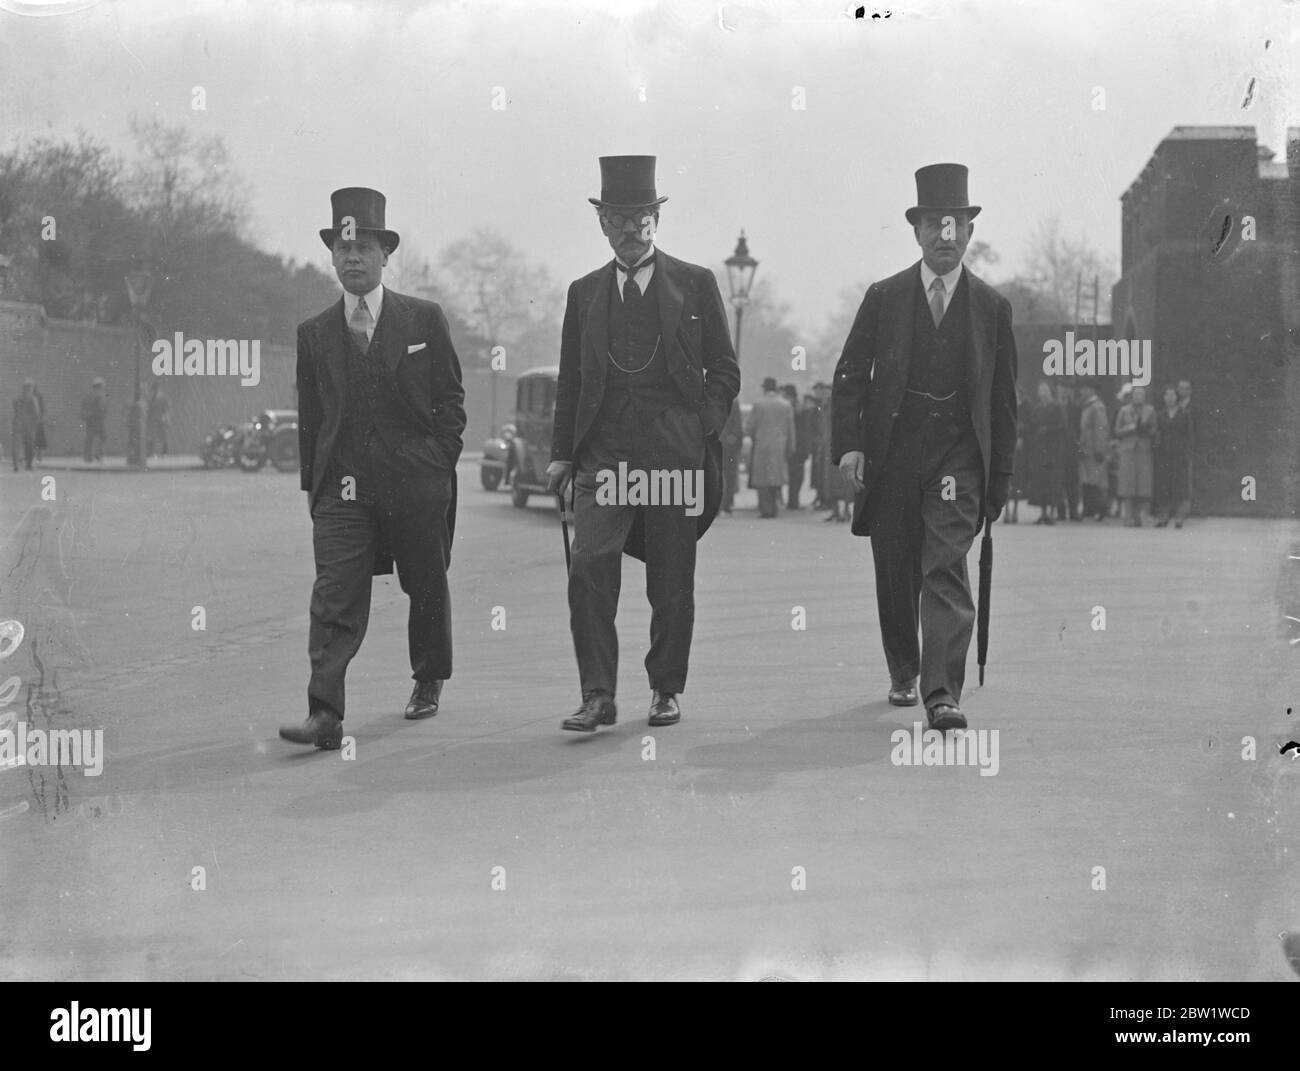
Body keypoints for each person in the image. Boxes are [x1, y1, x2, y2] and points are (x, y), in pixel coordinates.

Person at [544, 156, 739, 733]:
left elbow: (724, 371)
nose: (628, 229)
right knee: (589, 565)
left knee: (672, 577)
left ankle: (665, 689)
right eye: (616, 218)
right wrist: (561, 453)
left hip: (672, 456)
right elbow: (570, 380)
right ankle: (597, 694)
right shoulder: (584, 294)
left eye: (639, 218)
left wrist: (699, 427)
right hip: (603, 457)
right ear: (602, 223)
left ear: (656, 219)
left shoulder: (696, 284)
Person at [832, 163, 1017, 730]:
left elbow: (1004, 402)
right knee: (895, 568)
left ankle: (942, 694)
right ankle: (904, 669)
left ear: (968, 233)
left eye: (955, 225)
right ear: (916, 232)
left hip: (959, 459)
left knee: (944, 564)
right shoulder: (885, 297)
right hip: (894, 454)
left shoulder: (991, 307)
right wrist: (850, 446)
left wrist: (999, 479)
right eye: (935, 225)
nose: (946, 236)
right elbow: (849, 376)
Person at [280, 187, 466, 749]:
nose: (353, 257)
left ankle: (429, 676)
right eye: (343, 247)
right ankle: (325, 715)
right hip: (344, 489)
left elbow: (451, 402)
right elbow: (312, 419)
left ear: (386, 255)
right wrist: (316, 490)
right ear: (333, 256)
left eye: (364, 247)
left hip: (415, 483)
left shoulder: (423, 319)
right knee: (334, 593)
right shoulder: (313, 334)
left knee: (425, 582)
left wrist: (437, 464)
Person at [749, 377, 794, 518]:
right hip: (780, 446)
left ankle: (765, 509)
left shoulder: (758, 404)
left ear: (765, 388)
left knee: (762, 479)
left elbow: (750, 425)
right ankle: (774, 507)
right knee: (775, 478)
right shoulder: (785, 405)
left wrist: (754, 437)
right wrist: (791, 447)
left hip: (762, 444)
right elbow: (790, 430)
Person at [1114, 383, 1156, 526]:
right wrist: (1128, 429)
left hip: (1143, 450)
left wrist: (1145, 429)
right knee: (1128, 483)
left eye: (1141, 395)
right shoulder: (1124, 411)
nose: (1138, 397)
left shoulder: (1150, 411)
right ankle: (1128, 516)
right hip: (1128, 450)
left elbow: (1154, 430)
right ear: (1132, 397)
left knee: (1142, 484)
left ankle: (1138, 516)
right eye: (1136, 395)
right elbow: (1117, 431)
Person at [1025, 380, 1065, 525]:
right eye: (1040, 390)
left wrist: (1048, 429)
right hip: (1040, 450)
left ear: (1050, 392)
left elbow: (1063, 426)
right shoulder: (1037, 409)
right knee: (1041, 482)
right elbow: (1031, 426)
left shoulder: (1057, 407)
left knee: (1053, 481)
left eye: (1045, 390)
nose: (1042, 393)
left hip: (1053, 449)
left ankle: (1052, 512)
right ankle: (1043, 512)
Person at [1154, 384, 1191, 527]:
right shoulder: (1160, 415)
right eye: (1167, 395)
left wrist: (1186, 453)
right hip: (1163, 455)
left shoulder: (1184, 414)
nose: (1170, 398)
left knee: (1179, 486)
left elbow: (1189, 435)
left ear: (1177, 397)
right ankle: (1163, 516)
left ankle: (1179, 517)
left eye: (1172, 395)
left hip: (1179, 455)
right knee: (1164, 485)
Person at [1077, 382, 1109, 520]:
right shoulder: (1088, 406)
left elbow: (1100, 428)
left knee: (1097, 480)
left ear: (1090, 390)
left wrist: (1099, 449)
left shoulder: (1097, 407)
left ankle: (1101, 510)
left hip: (1094, 450)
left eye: (1084, 388)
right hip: (1087, 449)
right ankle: (1090, 510)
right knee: (1089, 480)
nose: (1082, 391)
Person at [1058, 382, 1081, 520]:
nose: (1065, 393)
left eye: (1067, 390)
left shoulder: (1076, 408)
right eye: (1063, 390)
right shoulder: (1056, 407)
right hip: (1059, 448)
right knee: (1059, 480)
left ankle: (1073, 511)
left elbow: (1079, 428)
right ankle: (1061, 512)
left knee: (1072, 481)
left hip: (1071, 448)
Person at [807, 381, 832, 508]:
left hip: (825, 443)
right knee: (819, 473)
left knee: (824, 474)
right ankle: (821, 497)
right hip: (820, 443)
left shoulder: (826, 405)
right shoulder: (821, 405)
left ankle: (825, 499)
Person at [11, 380, 39, 472]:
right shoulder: (32, 399)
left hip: (18, 423)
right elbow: (36, 413)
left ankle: (16, 464)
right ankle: (29, 464)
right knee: (29, 445)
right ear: (30, 388)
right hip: (29, 425)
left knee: (17, 445)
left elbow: (15, 411)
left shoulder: (17, 398)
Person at [81, 378, 108, 463]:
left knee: (90, 439)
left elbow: (84, 407)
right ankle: (97, 454)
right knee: (100, 438)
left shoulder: (89, 395)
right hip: (97, 420)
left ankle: (89, 456)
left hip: (91, 421)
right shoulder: (99, 395)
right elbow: (101, 408)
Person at [147, 382, 170, 457]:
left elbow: (166, 409)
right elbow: (150, 409)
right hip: (154, 420)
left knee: (163, 436)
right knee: (153, 437)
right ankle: (153, 453)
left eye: (155, 389)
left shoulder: (162, 397)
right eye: (154, 389)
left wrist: (166, 419)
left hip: (160, 419)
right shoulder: (151, 398)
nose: (154, 390)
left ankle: (164, 452)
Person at [32, 384, 46, 462]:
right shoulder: (29, 398)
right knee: (32, 440)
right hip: (32, 422)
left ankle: (39, 457)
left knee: (40, 440)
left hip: (39, 421)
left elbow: (42, 408)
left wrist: (41, 418)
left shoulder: (39, 397)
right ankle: (34, 457)